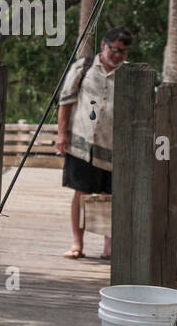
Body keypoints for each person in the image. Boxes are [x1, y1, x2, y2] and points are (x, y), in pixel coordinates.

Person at [56, 27, 135, 259]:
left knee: (109, 196)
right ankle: (77, 244)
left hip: (114, 147)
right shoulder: (83, 67)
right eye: (114, 49)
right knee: (81, 193)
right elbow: (65, 102)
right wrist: (62, 135)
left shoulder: (130, 74)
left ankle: (109, 247)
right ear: (104, 45)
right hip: (83, 144)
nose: (117, 55)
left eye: (123, 51)